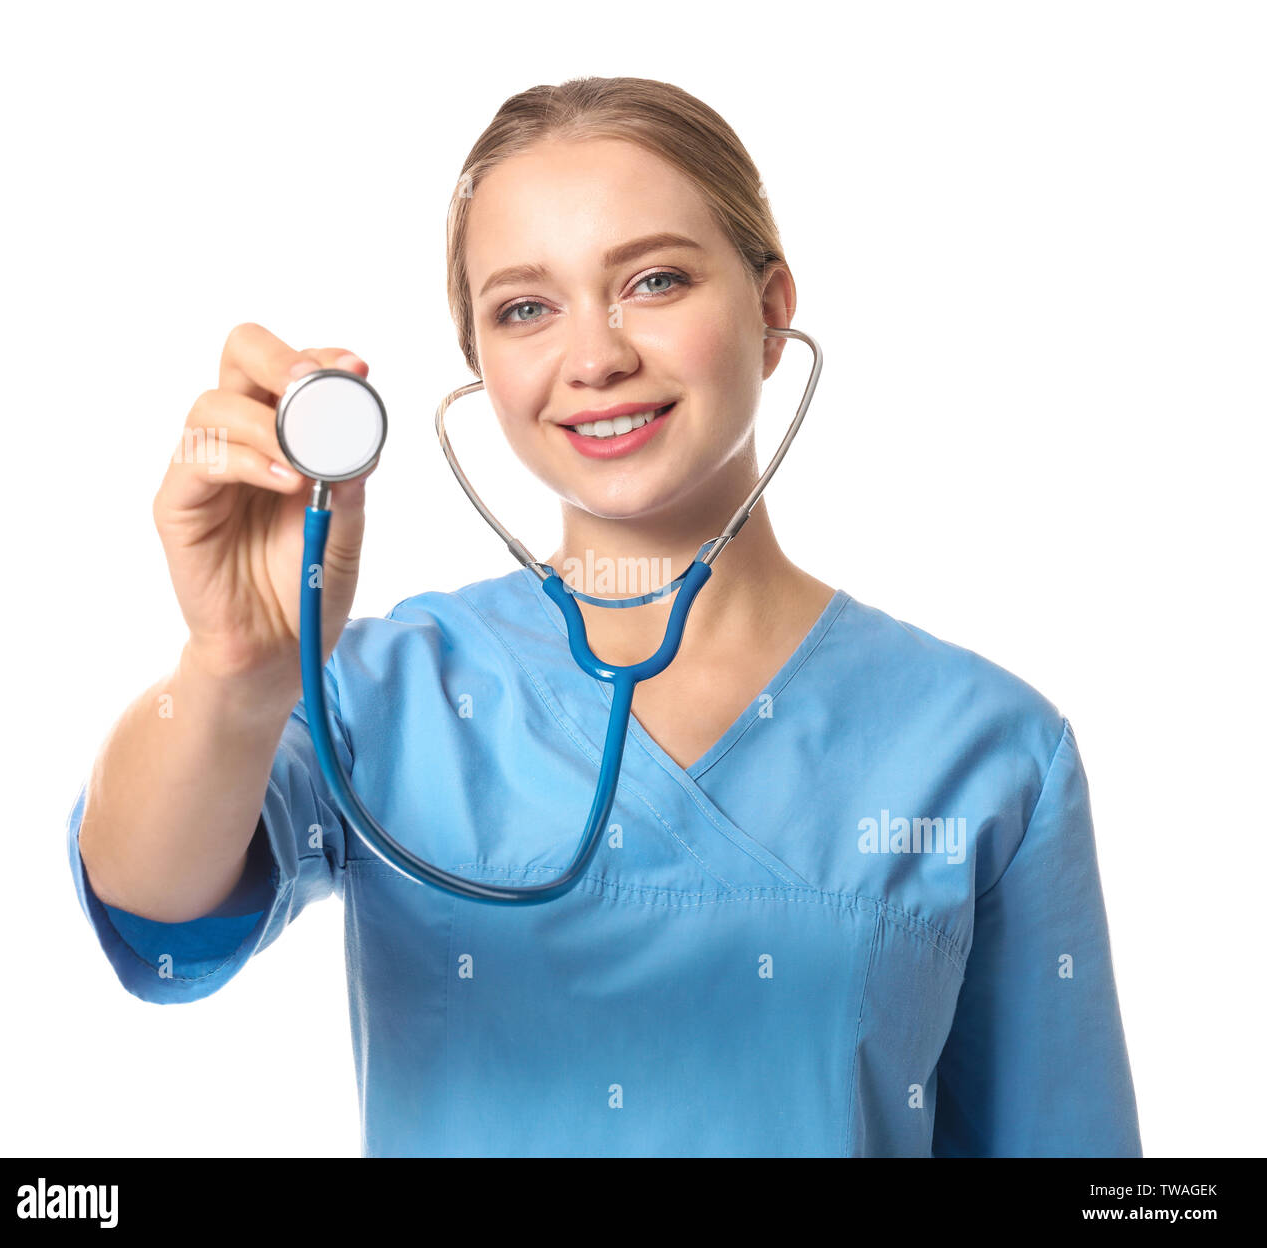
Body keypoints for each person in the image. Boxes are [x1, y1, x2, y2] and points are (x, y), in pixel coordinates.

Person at [65, 75, 1142, 1158]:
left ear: (771, 313)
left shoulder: (988, 746)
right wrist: (235, 668)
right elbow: (156, 919)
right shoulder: (389, 695)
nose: (595, 358)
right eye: (525, 308)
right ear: (479, 366)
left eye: (656, 280)